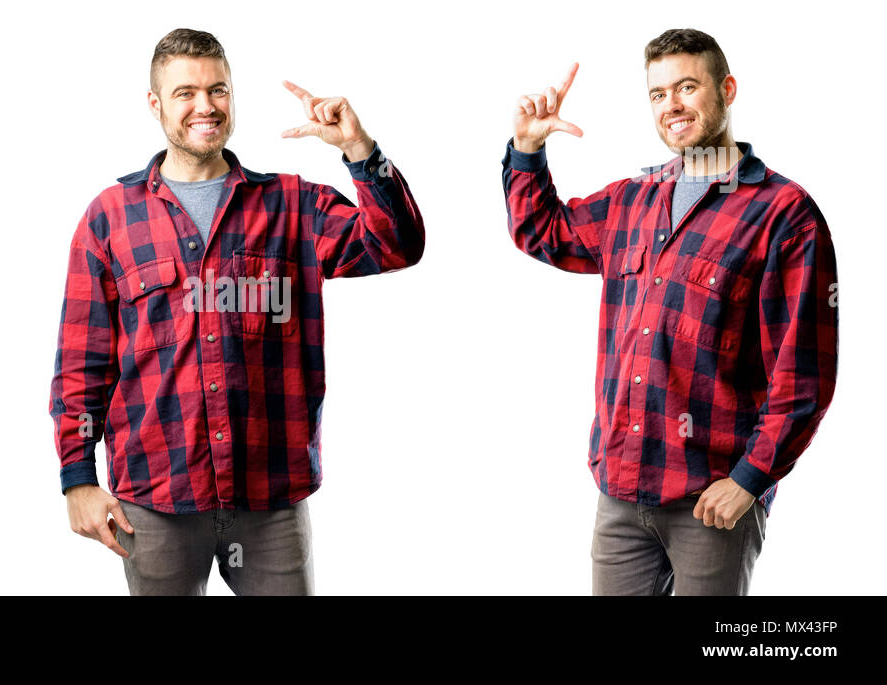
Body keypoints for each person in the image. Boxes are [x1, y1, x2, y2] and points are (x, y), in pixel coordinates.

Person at [50, 28, 424, 595]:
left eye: (218, 90)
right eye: (185, 93)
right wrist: (77, 476)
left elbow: (397, 245)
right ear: (155, 104)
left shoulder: (293, 205)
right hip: (155, 499)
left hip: (270, 496)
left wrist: (358, 150)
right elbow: (83, 364)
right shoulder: (110, 218)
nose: (205, 106)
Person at [502, 28, 837, 595]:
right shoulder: (634, 198)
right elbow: (542, 231)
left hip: (712, 500)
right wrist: (528, 150)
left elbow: (804, 376)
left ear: (726, 89)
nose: (672, 105)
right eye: (658, 94)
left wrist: (750, 481)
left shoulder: (785, 214)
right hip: (620, 491)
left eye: (687, 86)